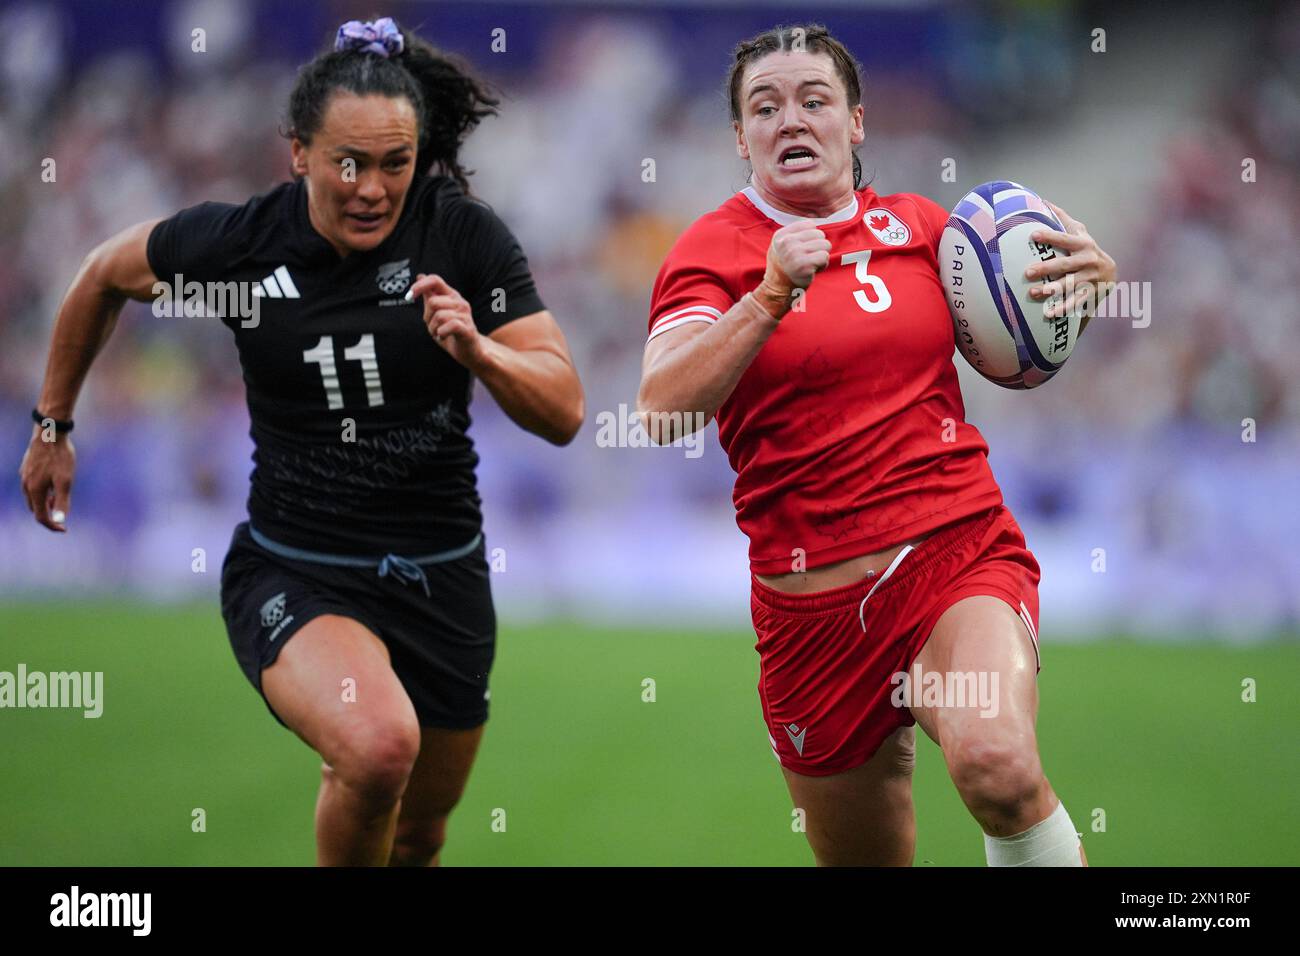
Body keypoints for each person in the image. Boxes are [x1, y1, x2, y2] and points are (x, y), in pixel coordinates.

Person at [18, 17, 584, 866]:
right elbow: (102, 274)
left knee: (421, 831)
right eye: (347, 163)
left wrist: (481, 350)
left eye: (395, 163)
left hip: (444, 577)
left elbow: (566, 410)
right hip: (298, 567)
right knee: (377, 747)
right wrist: (53, 425)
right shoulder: (243, 242)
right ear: (298, 153)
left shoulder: (461, 235)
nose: (372, 188)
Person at [637, 23, 1115, 866]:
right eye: (765, 107)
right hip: (811, 616)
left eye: (814, 101)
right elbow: (660, 411)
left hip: (953, 558)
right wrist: (769, 296)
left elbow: (1021, 354)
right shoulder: (712, 251)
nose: (791, 120)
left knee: (996, 766)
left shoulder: (931, 230)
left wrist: (1084, 289)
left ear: (854, 122)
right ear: (738, 137)